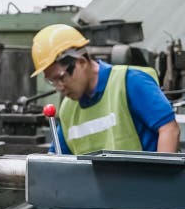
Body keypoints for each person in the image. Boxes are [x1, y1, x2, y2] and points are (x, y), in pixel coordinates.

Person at [31, 24, 179, 154]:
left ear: (81, 62)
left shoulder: (130, 82)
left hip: (144, 183)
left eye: (61, 78)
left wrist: (160, 182)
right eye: (52, 81)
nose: (59, 87)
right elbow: (58, 156)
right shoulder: (68, 109)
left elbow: (169, 129)